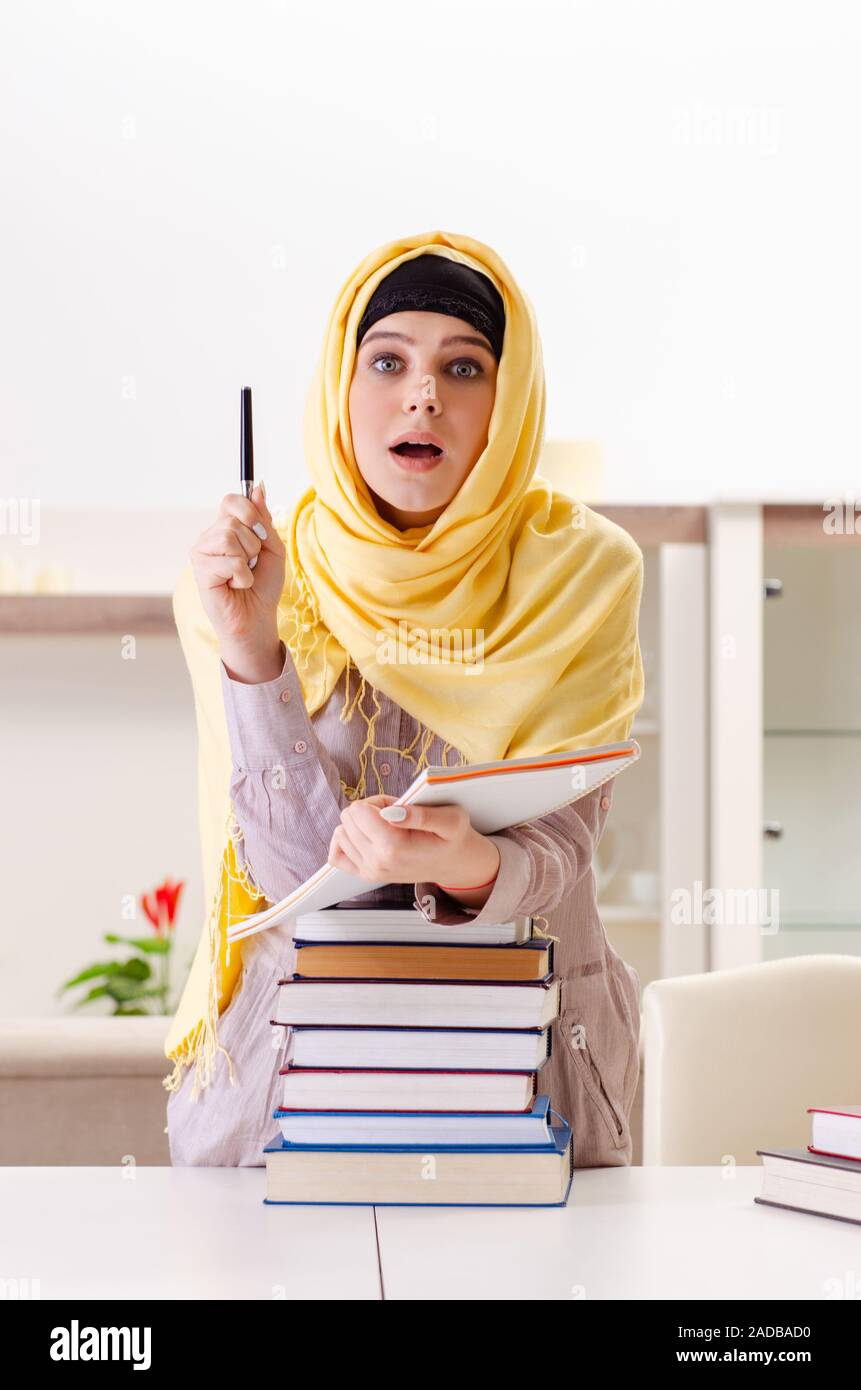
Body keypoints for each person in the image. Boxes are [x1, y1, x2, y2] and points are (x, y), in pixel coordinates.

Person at [164, 230, 645, 1169]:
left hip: (532, 1071)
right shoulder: (255, 576)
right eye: (387, 361)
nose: (423, 393)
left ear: (506, 406)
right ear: (340, 396)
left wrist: (475, 869)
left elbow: (566, 840)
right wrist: (254, 651)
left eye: (463, 367)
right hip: (289, 1084)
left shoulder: (582, 572)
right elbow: (291, 880)